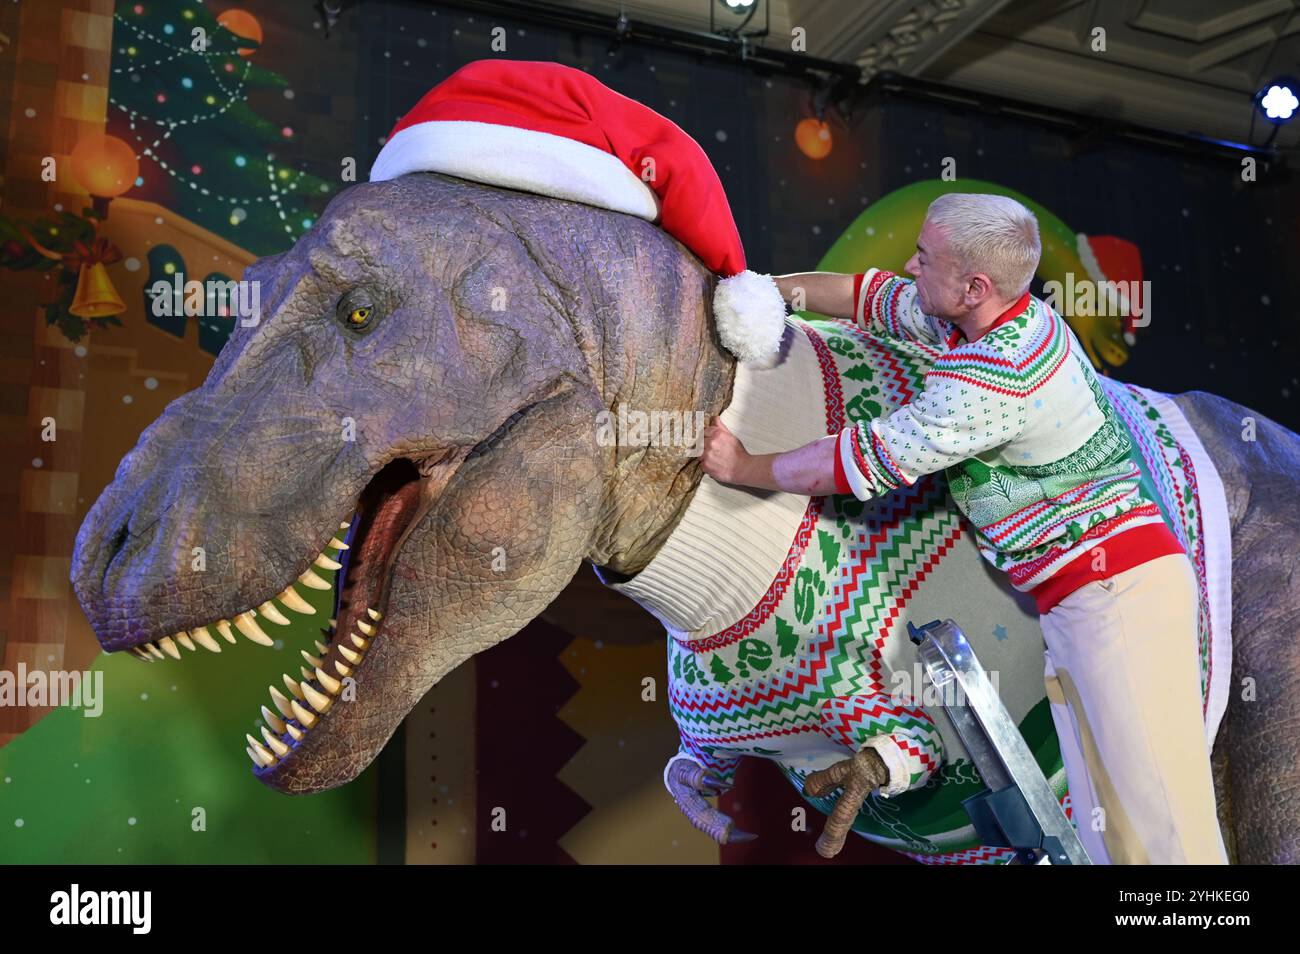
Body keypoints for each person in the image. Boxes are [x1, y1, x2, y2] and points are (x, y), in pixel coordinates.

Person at [700, 192, 1227, 864]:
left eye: (926, 259)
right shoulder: (968, 319)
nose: (912, 267)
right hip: (1077, 603)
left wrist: (744, 462)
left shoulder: (998, 373)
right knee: (1108, 832)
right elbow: (869, 296)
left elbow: (860, 460)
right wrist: (767, 295)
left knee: (1166, 833)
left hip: (1121, 595)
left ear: (975, 286)